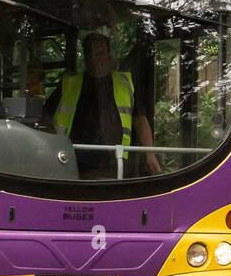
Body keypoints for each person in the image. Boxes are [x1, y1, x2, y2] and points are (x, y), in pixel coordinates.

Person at [44, 33, 161, 178]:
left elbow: (140, 119)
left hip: (115, 163)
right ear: (85, 56)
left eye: (99, 53)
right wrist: (53, 145)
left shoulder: (125, 83)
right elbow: (46, 115)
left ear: (108, 54)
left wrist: (150, 155)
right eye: (90, 53)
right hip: (74, 162)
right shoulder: (69, 83)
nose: (95, 58)